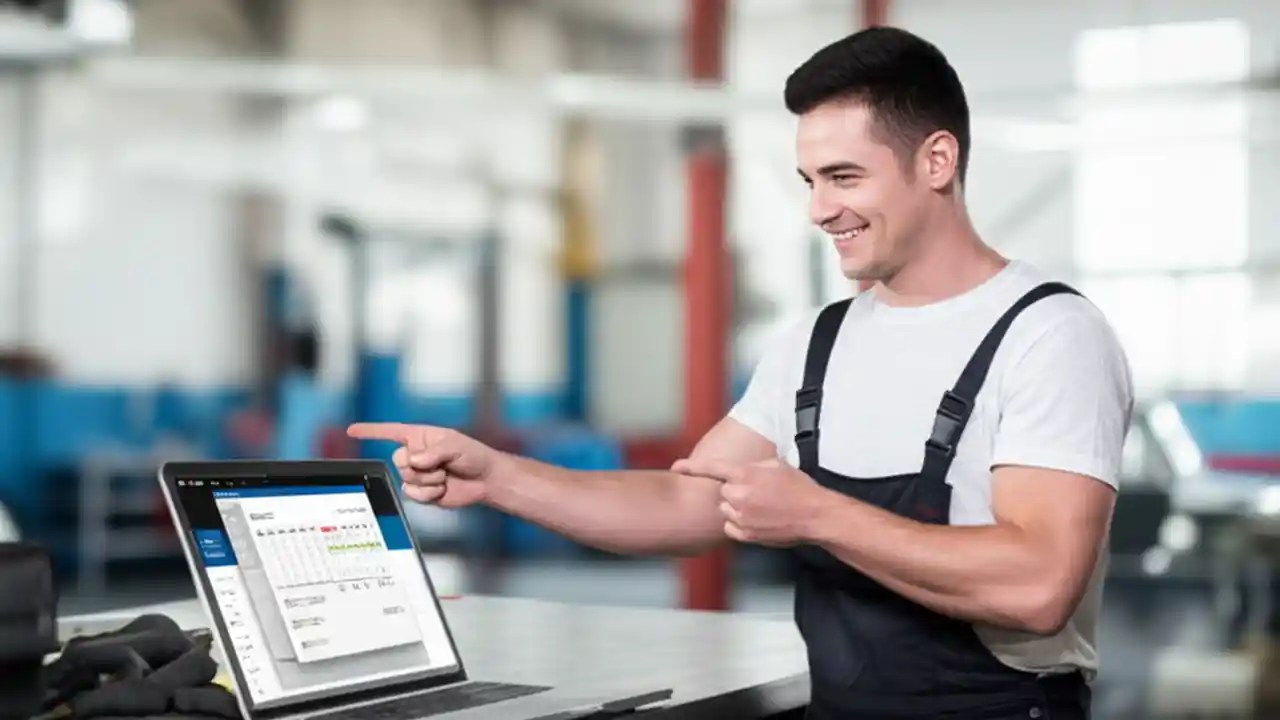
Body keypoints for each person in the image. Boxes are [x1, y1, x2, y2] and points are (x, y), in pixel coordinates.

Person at [350, 26, 1132, 720]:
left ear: (936, 160)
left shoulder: (1049, 336)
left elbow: (1037, 586)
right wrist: (497, 478)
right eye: (809, 181)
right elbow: (685, 501)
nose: (820, 210)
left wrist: (816, 514)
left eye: (845, 177)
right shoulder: (816, 344)